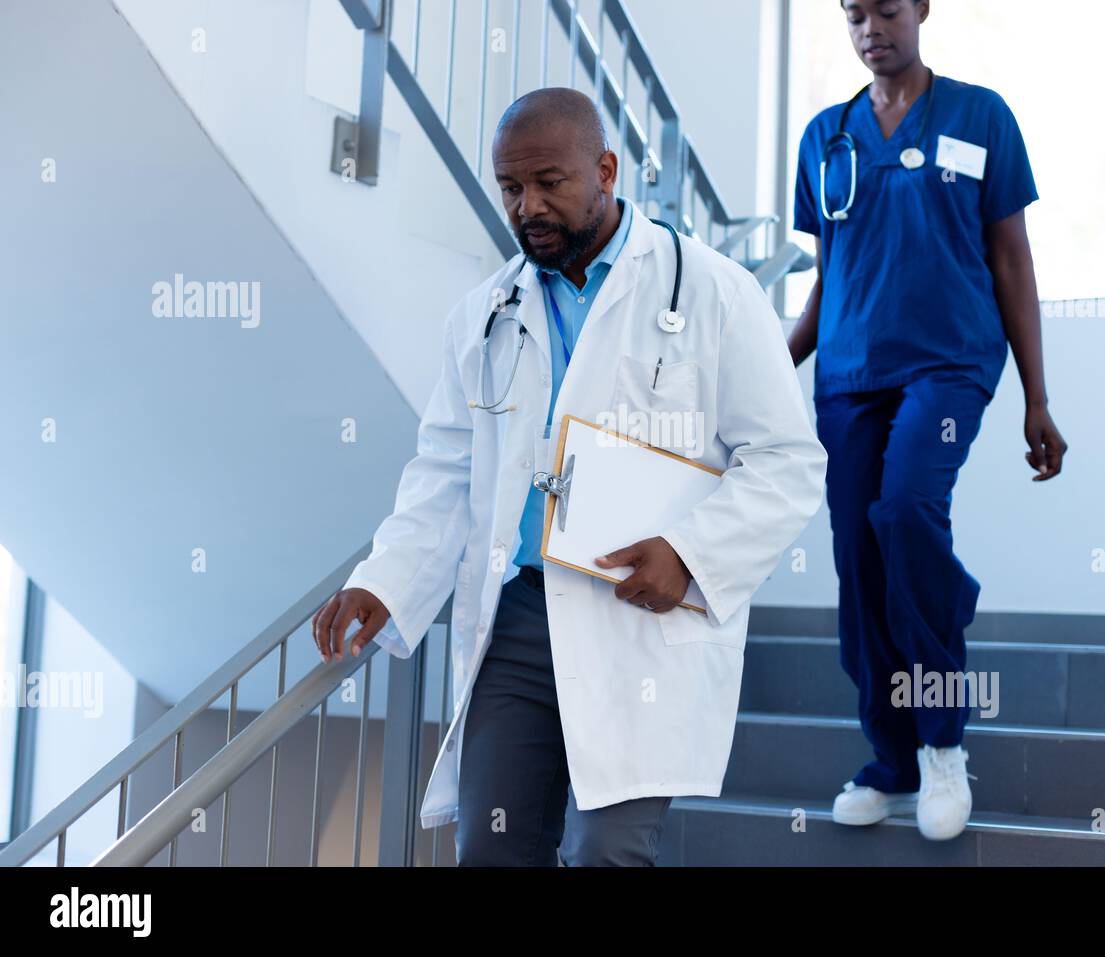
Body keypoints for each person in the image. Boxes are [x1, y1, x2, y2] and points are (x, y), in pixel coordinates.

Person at [313, 89, 827, 865]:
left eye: (550, 182)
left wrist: (690, 552)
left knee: (607, 853)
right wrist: (385, 578)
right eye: (512, 189)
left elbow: (788, 461)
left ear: (607, 170)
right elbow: (447, 470)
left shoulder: (716, 292)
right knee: (492, 851)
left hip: (634, 613)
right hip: (516, 620)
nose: (529, 207)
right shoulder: (486, 312)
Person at [788, 0, 1067, 841]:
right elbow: (830, 273)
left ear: (922, 9)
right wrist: (773, 364)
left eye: (886, 9)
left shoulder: (981, 115)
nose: (871, 27)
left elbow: (1011, 258)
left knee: (906, 510)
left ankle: (943, 737)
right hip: (847, 374)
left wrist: (1037, 396)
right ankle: (892, 759)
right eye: (853, 15)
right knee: (858, 557)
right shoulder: (824, 138)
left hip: (947, 363)